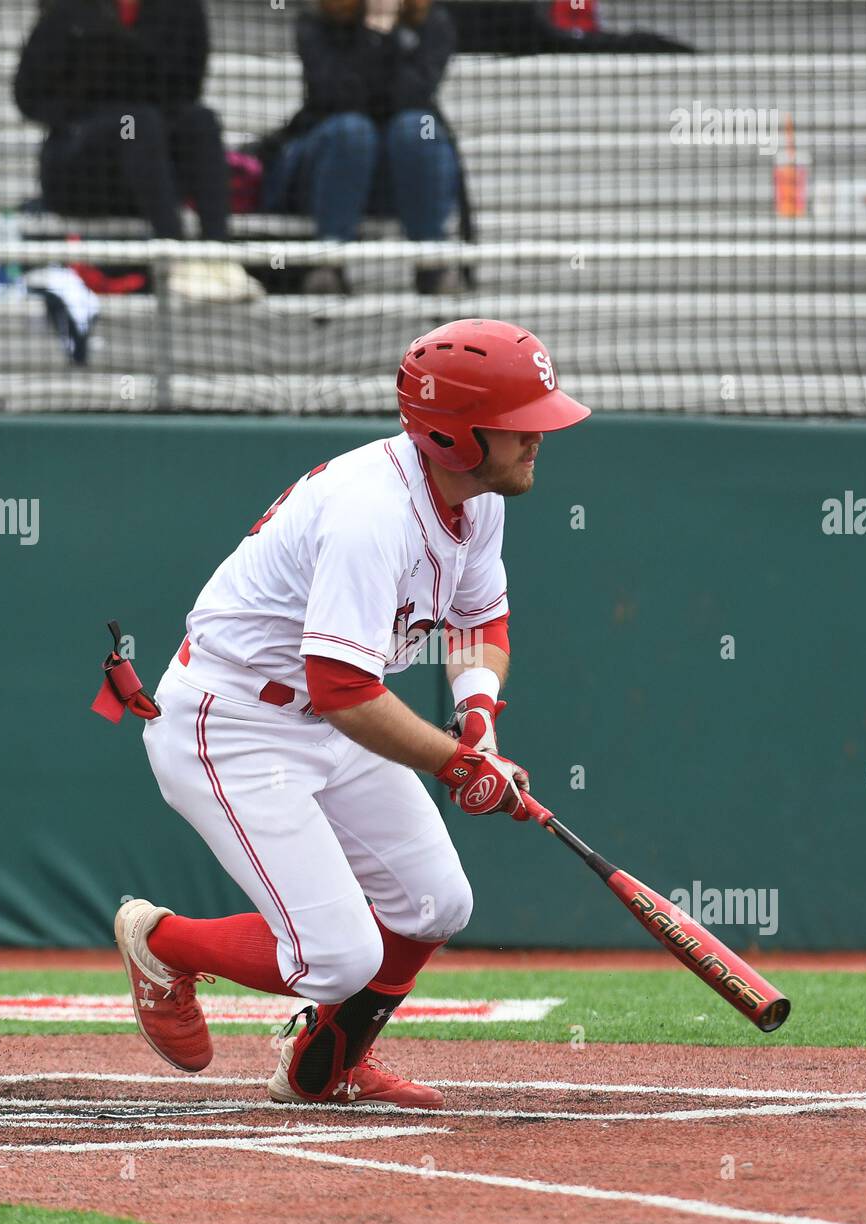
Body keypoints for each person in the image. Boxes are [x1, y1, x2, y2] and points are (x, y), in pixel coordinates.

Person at [100, 319, 590, 1107]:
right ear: (454, 435)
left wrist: (477, 721)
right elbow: (342, 688)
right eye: (520, 425)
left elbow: (477, 620)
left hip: (333, 719)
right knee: (338, 961)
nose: (539, 438)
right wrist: (457, 767)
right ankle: (162, 943)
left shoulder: (474, 495)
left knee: (436, 902)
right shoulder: (372, 514)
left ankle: (325, 1062)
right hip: (234, 724)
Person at [14, 0, 260, 301]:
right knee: (135, 122)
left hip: (146, 166)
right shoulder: (72, 9)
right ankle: (175, 254)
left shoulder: (181, 9)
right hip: (82, 174)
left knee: (200, 121)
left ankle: (218, 254)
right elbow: (28, 95)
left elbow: (189, 86)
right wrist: (81, 117)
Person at [261, 0, 472, 294]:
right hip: (331, 170)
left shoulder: (433, 22)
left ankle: (431, 262)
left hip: (402, 176)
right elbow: (338, 94)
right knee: (352, 129)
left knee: (416, 128)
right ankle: (329, 260)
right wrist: (373, 35)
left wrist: (386, 36)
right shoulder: (317, 23)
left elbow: (414, 93)